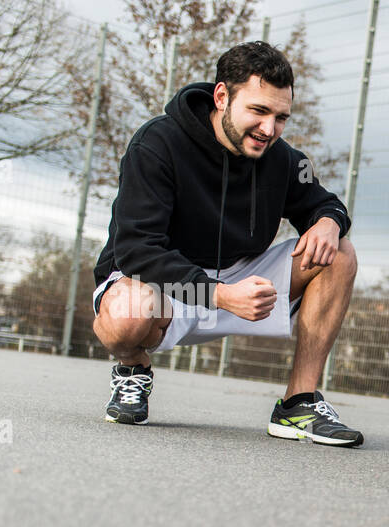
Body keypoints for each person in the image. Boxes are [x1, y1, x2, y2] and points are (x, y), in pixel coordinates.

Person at [90, 41, 363, 446]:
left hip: (241, 276)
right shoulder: (156, 144)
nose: (269, 129)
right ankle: (132, 369)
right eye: (258, 111)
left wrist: (329, 220)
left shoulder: (286, 159)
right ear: (222, 96)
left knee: (339, 253)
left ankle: (298, 404)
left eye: (281, 117)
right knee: (129, 313)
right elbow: (137, 251)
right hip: (165, 283)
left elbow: (322, 200)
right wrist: (218, 294)